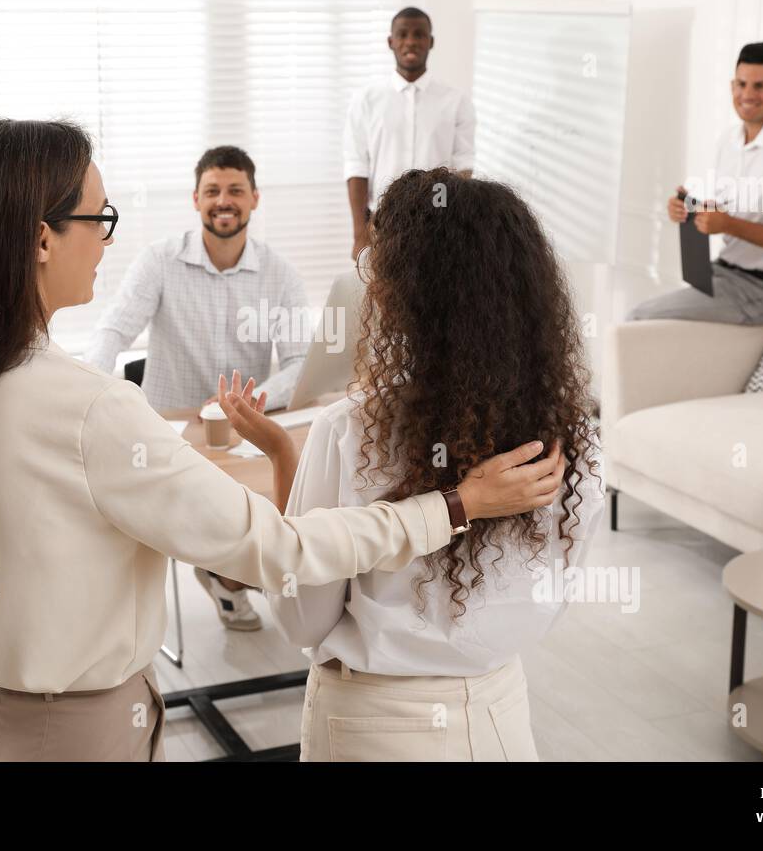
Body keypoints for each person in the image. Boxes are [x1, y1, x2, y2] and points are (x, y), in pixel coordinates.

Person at [0, 118, 567, 762]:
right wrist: (455, 503)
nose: (107, 240)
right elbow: (280, 551)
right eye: (98, 218)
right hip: (72, 733)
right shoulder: (90, 410)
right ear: (40, 239)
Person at [226, 169, 603, 762]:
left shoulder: (349, 431)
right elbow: (552, 594)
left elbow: (303, 620)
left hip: (373, 726)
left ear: (399, 292)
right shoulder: (573, 438)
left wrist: (283, 458)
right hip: (503, 717)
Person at [85, 145, 311, 630]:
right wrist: (86, 385)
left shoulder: (281, 274)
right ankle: (224, 574)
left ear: (254, 199)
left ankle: (227, 578)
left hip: (241, 434)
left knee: (278, 514)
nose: (223, 200)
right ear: (195, 199)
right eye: (212, 191)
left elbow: (299, 362)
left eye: (235, 190)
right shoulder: (161, 260)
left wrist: (250, 403)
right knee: (215, 521)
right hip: (169, 432)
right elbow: (113, 330)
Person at [628, 42, 763, 325]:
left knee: (639, 319)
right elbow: (730, 207)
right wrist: (691, 208)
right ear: (732, 85)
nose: (747, 94)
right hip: (722, 273)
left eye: (759, 86)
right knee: (649, 316)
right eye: (741, 84)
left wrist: (728, 225)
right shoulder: (729, 141)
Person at [344, 6, 475, 261]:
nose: (411, 41)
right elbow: (356, 166)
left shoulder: (455, 101)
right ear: (391, 42)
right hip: (382, 225)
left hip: (439, 221)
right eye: (402, 34)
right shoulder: (366, 100)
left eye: (419, 34)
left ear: (431, 41)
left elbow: (462, 167)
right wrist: (360, 233)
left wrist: (441, 211)